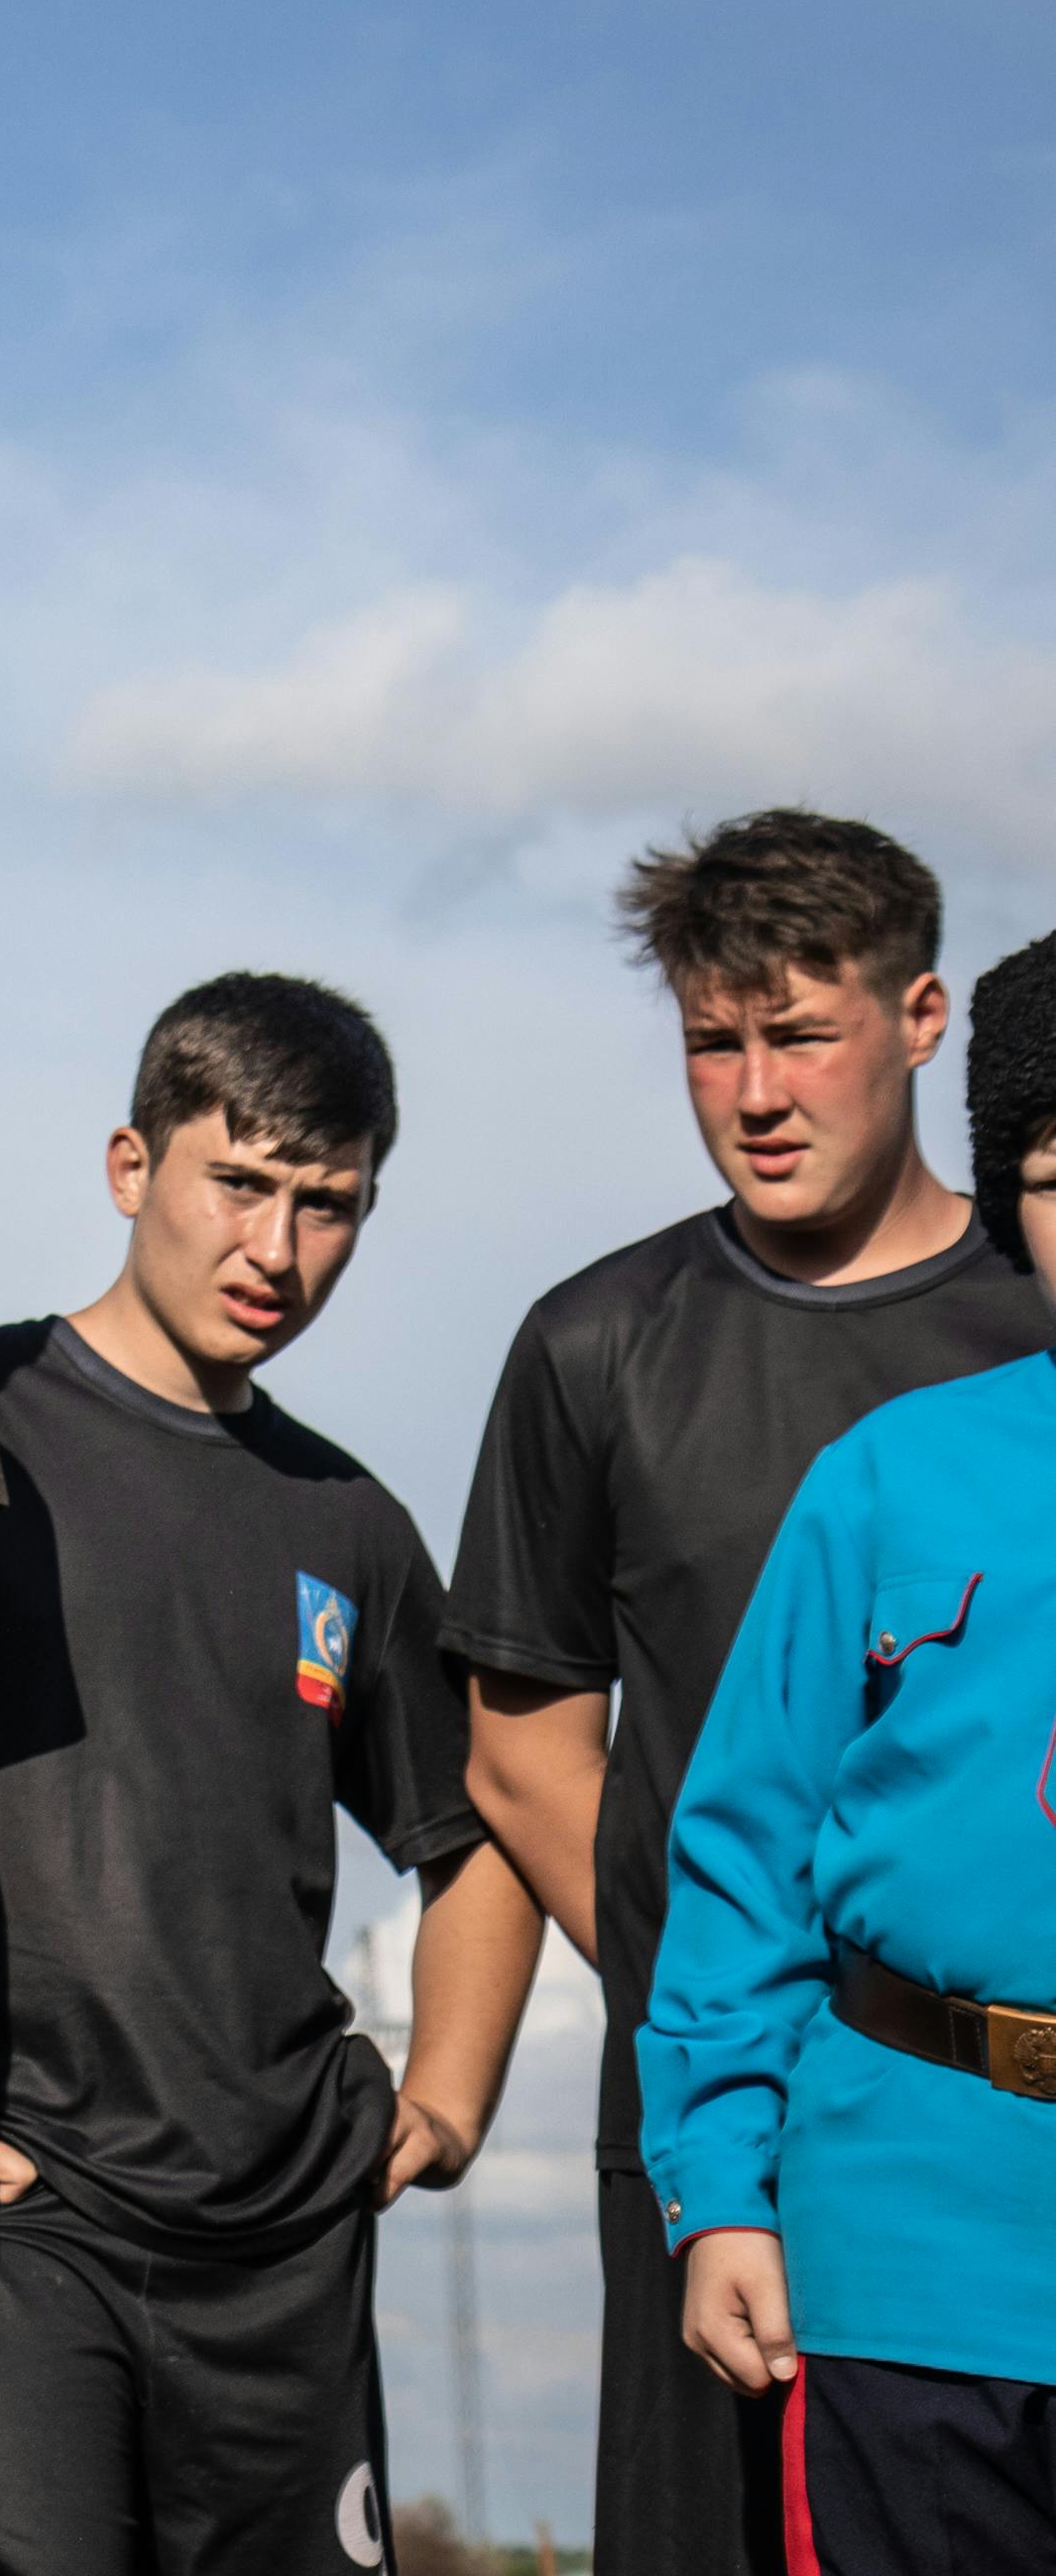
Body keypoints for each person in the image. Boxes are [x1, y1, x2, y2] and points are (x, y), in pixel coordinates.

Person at [0, 974, 546, 2575]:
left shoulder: (348, 1520)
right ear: (130, 1162)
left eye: (328, 1206)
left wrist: (443, 2096)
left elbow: (479, 1831)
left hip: (286, 2238)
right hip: (6, 2209)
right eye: (238, 1181)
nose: (276, 1250)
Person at [440, 809, 1037, 2576]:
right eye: (715, 1038)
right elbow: (523, 1746)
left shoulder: (1036, 1323)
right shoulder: (590, 1340)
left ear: (921, 1017)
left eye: (802, 1031)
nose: (754, 1087)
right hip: (706, 2095)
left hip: (974, 2135)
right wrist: (736, 2019)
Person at [641, 924, 1056, 2576]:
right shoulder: (890, 1471)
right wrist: (721, 2183)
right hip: (910, 2244)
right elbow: (744, 1850)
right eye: (1050, 1164)